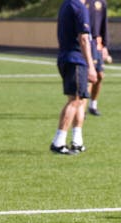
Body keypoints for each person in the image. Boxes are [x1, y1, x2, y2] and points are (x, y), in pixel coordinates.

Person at [50, 0, 97, 155]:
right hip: (75, 60)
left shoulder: (67, 4)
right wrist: (91, 65)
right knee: (75, 100)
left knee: (81, 100)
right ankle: (58, 142)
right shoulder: (78, 7)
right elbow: (83, 39)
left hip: (69, 58)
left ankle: (77, 141)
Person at [85, 0, 108, 116]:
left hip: (97, 42)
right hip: (86, 41)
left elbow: (104, 24)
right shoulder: (82, 2)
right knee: (90, 77)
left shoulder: (102, 2)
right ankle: (81, 108)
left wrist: (105, 46)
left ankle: (93, 105)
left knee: (100, 76)